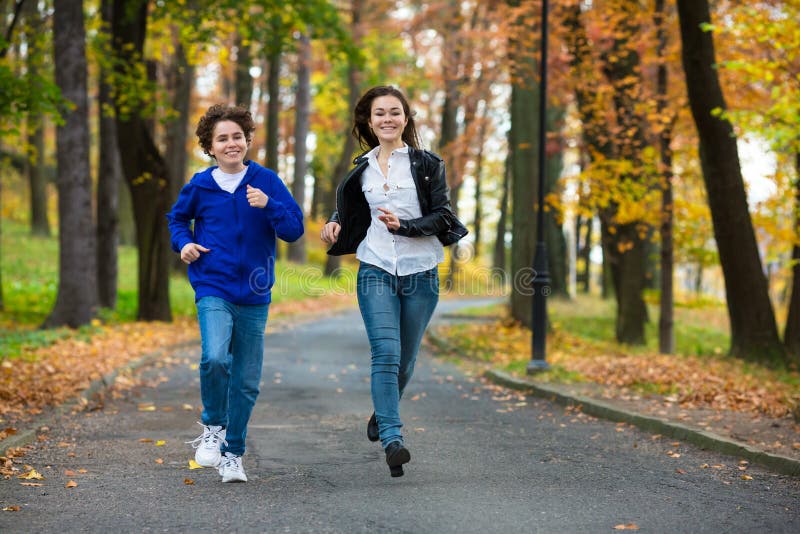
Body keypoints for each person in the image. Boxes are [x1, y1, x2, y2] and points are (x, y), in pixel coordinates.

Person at [320, 85, 467, 477]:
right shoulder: (361, 169)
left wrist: (406, 226)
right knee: (385, 353)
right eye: (379, 113)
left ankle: (380, 414)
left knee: (405, 361)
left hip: (421, 271)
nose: (387, 119)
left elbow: (444, 218)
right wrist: (334, 223)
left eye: (394, 112)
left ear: (406, 118)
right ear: (369, 122)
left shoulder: (426, 164)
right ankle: (392, 438)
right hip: (375, 268)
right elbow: (348, 209)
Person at [167, 104, 304, 483]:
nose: (231, 143)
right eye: (222, 138)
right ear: (210, 146)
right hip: (212, 284)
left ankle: (234, 452)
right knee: (214, 357)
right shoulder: (200, 185)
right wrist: (184, 244)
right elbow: (177, 219)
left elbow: (294, 230)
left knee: (245, 380)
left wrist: (269, 204)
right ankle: (213, 425)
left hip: (256, 292)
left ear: (248, 140)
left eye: (237, 136)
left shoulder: (267, 181)